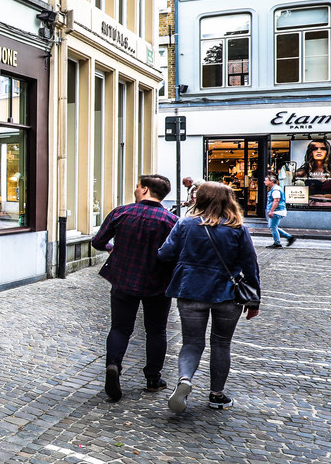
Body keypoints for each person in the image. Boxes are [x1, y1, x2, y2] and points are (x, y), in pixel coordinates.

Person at [157, 182, 260, 413]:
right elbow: (250, 265)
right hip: (227, 294)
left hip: (191, 290)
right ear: (228, 200)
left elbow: (165, 254)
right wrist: (254, 300)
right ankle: (216, 395)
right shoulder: (237, 228)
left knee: (192, 342)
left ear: (199, 198)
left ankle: (184, 379)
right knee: (221, 344)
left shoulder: (184, 223)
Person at [90, 174, 178, 401]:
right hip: (157, 283)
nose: (136, 190)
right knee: (156, 330)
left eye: (137, 186)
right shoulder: (171, 221)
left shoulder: (122, 212)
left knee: (120, 328)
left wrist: (112, 247)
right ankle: (153, 378)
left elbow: (98, 241)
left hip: (124, 279)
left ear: (146, 190)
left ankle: (113, 366)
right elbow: (177, 254)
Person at [294, 138, 331, 208]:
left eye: (323, 148)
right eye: (315, 149)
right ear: (310, 152)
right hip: (310, 207)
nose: (319, 151)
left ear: (328, 152)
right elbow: (296, 194)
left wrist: (314, 196)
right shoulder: (302, 172)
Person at [264, 175, 296, 248]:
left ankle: (277, 243)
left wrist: (271, 211)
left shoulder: (276, 190)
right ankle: (289, 238)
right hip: (278, 210)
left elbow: (276, 200)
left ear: (271, 181)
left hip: (277, 211)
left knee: (272, 227)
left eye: (266, 180)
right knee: (272, 226)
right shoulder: (275, 189)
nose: (264, 182)